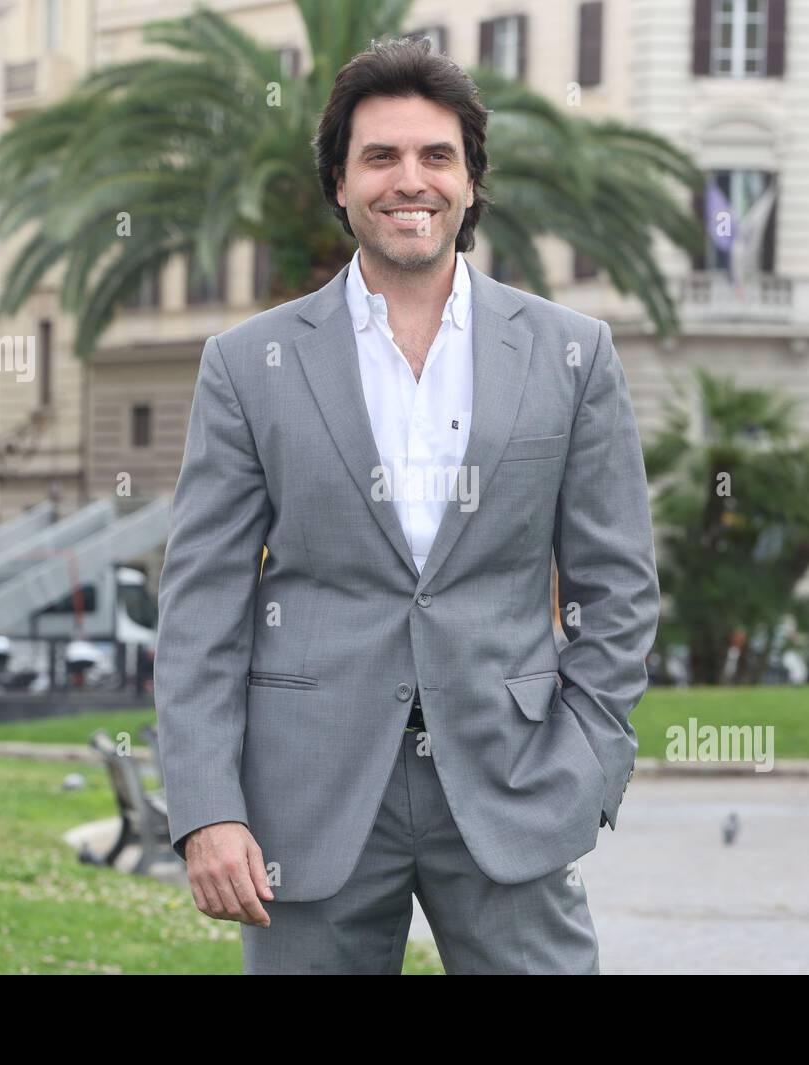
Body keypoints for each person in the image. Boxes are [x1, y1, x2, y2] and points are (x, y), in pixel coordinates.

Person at [155, 37, 660, 974]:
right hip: (307, 798)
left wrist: (591, 760)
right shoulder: (248, 364)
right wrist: (207, 806)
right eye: (379, 157)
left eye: (436, 156)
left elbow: (618, 584)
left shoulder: (571, 352)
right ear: (339, 183)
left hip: (514, 781)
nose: (409, 180)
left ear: (471, 181)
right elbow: (201, 606)